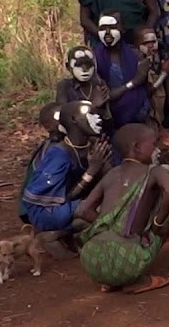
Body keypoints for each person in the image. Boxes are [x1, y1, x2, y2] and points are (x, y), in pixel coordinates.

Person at [74, 124, 169, 294]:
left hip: (91, 259)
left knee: (114, 241)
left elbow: (82, 210)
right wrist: (157, 222)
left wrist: (110, 225)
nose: (158, 149)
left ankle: (109, 281)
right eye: (154, 144)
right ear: (137, 147)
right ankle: (138, 280)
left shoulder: (111, 174)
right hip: (127, 261)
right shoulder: (154, 171)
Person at [21, 101, 112, 237]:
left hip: (72, 202)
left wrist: (104, 167)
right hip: (48, 210)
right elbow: (63, 198)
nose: (97, 118)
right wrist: (92, 170)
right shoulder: (59, 156)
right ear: (73, 120)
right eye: (90, 114)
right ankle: (111, 231)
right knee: (89, 209)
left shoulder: (91, 146)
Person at [92, 12, 151, 130]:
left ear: (122, 29)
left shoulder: (136, 54)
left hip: (140, 116)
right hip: (110, 121)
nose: (107, 32)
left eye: (112, 27)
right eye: (103, 28)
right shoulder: (94, 59)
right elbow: (107, 96)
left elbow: (148, 89)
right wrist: (134, 82)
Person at [56, 45, 111, 123]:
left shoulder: (99, 84)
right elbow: (63, 115)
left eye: (89, 64)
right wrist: (93, 106)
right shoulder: (64, 86)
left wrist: (104, 107)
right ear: (68, 67)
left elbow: (108, 119)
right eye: (78, 64)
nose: (85, 69)